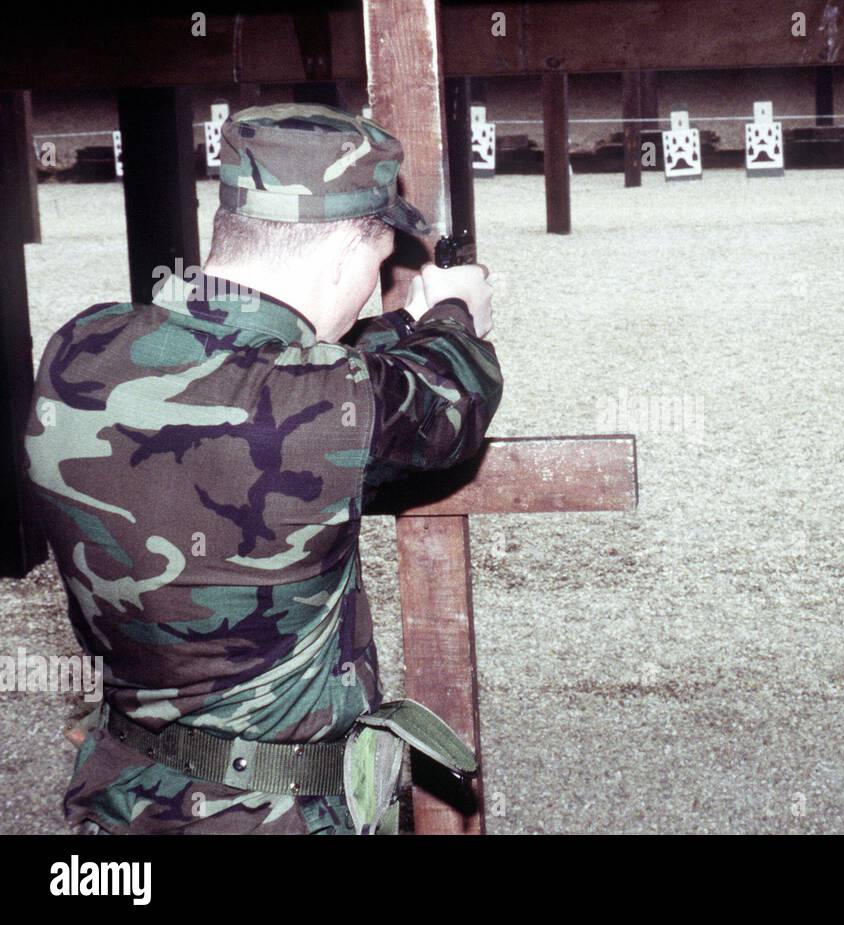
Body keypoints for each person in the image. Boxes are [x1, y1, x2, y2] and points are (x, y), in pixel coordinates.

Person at [22, 103, 502, 834]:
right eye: (376, 263)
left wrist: (401, 324)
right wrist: (455, 315)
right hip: (272, 816)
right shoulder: (322, 400)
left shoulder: (80, 349)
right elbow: (454, 394)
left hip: (121, 799)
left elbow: (259, 366)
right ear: (349, 250)